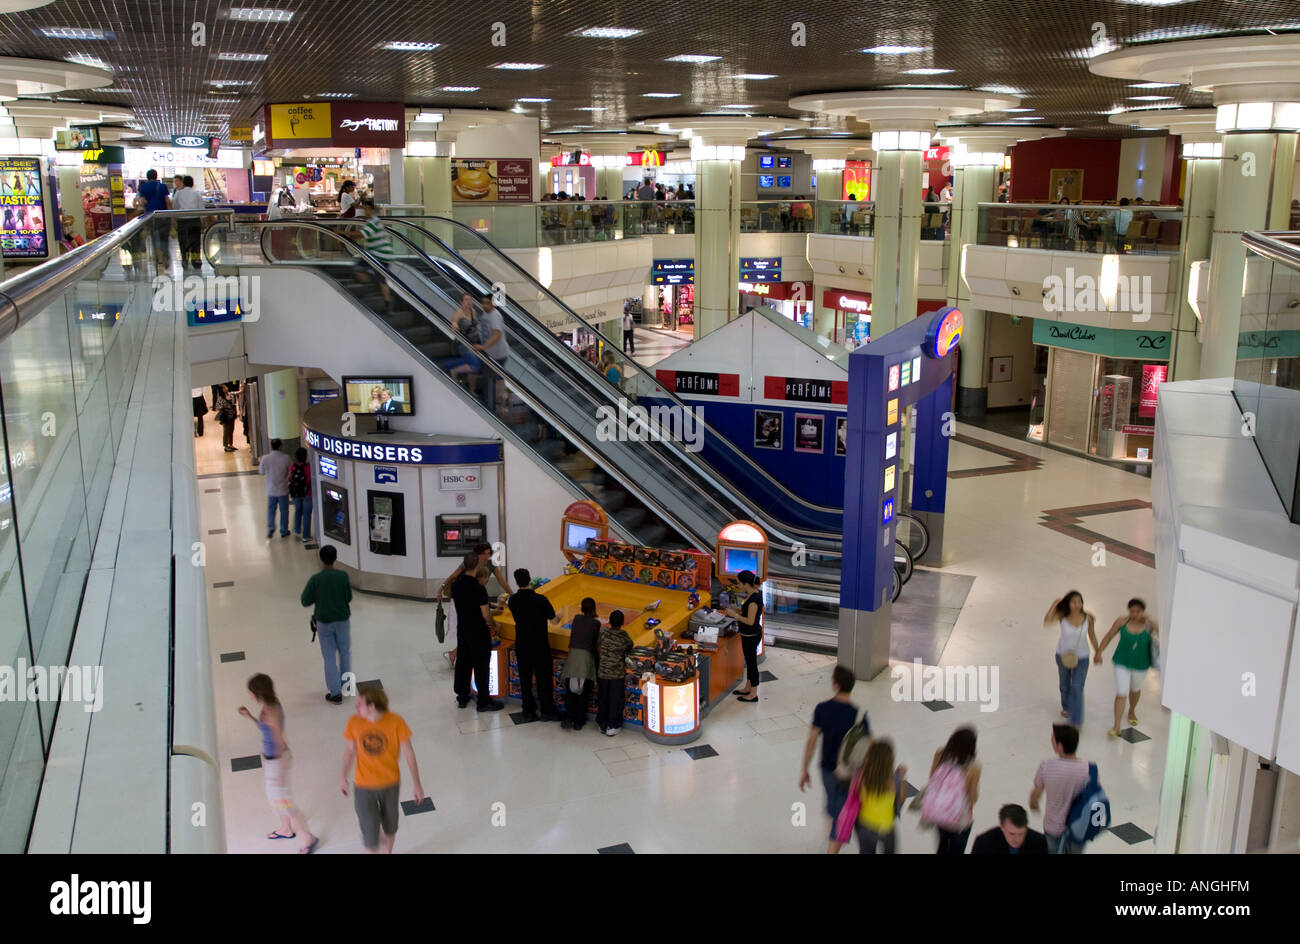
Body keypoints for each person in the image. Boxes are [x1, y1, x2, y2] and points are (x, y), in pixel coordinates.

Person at [237, 673, 318, 853]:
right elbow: (265, 730)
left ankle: (308, 838)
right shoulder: (269, 705)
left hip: (277, 762)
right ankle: (287, 829)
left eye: (250, 691)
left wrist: (279, 771)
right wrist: (250, 716)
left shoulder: (272, 711)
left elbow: (279, 741)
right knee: (277, 799)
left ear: (257, 692)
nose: (248, 693)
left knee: (285, 803)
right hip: (272, 760)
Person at [341, 687, 423, 854]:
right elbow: (350, 750)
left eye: (359, 704)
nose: (356, 707)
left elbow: (409, 753)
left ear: (371, 707)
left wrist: (417, 784)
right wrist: (343, 776)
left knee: (390, 826)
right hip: (363, 786)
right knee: (370, 836)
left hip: (390, 784)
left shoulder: (396, 722)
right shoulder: (353, 722)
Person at [799, 665, 860, 846]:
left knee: (832, 798)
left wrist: (804, 770)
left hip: (826, 768)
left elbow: (811, 742)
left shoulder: (822, 708)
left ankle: (833, 830)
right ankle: (835, 837)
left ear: (836, 685)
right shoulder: (855, 713)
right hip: (847, 771)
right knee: (841, 806)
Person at [1096, 598, 1158, 738]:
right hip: (1121, 662)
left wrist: (1151, 621)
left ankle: (1131, 710)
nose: (1135, 614)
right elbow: (1109, 636)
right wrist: (1099, 652)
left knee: (1135, 689)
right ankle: (1116, 725)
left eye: (1138, 611)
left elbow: (1164, 635)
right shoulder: (1121, 622)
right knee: (1121, 693)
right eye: (1132, 611)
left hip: (1141, 664)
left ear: (1143, 611)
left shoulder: (1149, 625)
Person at [451, 552, 504, 712]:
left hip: (463, 629)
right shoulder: (478, 588)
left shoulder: (456, 584)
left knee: (463, 663)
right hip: (478, 632)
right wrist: (494, 625)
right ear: (476, 567)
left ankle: (462, 696)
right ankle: (483, 701)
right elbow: (486, 615)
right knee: (481, 665)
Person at [1029, 724, 1092, 854]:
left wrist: (1034, 804)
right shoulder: (1089, 769)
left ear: (1060, 747)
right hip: (1078, 828)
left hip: (1053, 826)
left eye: (1053, 738)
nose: (1051, 740)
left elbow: (1035, 796)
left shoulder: (1046, 766)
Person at [301, 544, 353, 703]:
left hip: (324, 622)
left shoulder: (316, 579)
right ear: (335, 558)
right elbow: (349, 597)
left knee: (329, 656)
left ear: (321, 559)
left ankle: (335, 693)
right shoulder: (343, 576)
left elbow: (305, 601)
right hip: (343, 620)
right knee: (345, 652)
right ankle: (347, 686)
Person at [508, 567, 559, 722]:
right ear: (530, 579)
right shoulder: (541, 600)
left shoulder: (513, 601)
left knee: (525, 679)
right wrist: (561, 615)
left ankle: (528, 709)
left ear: (516, 582)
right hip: (540, 645)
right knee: (544, 679)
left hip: (522, 645)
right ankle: (546, 710)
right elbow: (554, 621)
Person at [924, 726, 981, 854]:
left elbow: (932, 780)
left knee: (942, 846)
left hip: (940, 813)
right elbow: (973, 798)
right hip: (960, 819)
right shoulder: (973, 767)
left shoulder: (939, 755)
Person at [1044, 590, 1097, 727]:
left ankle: (1076, 720)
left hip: (1082, 657)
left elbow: (1092, 635)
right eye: (1074, 602)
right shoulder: (1062, 616)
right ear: (1068, 603)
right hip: (1063, 655)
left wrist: (1098, 652)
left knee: (1077, 687)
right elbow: (1047, 621)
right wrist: (1054, 605)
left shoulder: (1088, 618)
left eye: (1079, 602)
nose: (1077, 605)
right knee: (1064, 684)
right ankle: (1066, 706)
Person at [853, 738, 907, 854]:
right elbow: (901, 800)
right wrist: (902, 778)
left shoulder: (862, 775)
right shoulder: (894, 780)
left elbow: (855, 794)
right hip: (885, 827)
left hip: (865, 825)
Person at [561, 597, 599, 730]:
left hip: (572, 658)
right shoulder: (596, 624)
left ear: (581, 609)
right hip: (585, 659)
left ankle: (568, 716)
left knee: (571, 690)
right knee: (582, 691)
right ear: (594, 609)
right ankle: (579, 720)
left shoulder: (576, 619)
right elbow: (595, 643)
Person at [725, 570, 763, 702]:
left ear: (746, 583)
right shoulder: (753, 593)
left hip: (751, 635)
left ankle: (753, 694)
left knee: (752, 664)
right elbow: (746, 611)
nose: (738, 585)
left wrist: (734, 615)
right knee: (749, 660)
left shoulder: (753, 600)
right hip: (749, 634)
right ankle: (748, 687)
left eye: (739, 583)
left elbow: (750, 621)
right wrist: (736, 610)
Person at [596, 609, 633, 736]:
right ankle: (613, 725)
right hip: (616, 674)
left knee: (603, 698)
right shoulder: (623, 636)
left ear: (609, 621)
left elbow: (599, 642)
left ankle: (602, 724)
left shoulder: (603, 633)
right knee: (615, 700)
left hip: (602, 672)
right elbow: (630, 646)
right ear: (622, 622)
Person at [473, 292, 510, 415]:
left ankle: (492, 408)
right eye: (483, 303)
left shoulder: (495, 315)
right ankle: (494, 406)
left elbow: (497, 334)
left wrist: (483, 347)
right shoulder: (486, 314)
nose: (484, 305)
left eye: (487, 303)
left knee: (492, 380)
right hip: (490, 354)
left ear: (493, 304)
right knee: (491, 379)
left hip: (498, 354)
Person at [357, 199, 395, 306]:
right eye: (364, 209)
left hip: (380, 255)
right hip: (378, 255)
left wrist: (342, 232)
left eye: (368, 209)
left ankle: (382, 297)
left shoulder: (374, 221)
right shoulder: (372, 221)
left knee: (360, 269)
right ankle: (385, 300)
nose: (366, 212)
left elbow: (362, 234)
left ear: (373, 210)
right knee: (379, 278)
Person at [971, 804, 1049, 854]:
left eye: (1021, 833)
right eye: (1012, 834)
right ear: (1002, 828)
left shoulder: (1039, 842)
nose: (1017, 839)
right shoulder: (984, 843)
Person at [258, 438, 292, 538]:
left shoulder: (265, 458)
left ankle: (271, 527)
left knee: (271, 510)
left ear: (271, 446)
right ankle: (284, 530)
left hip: (271, 489)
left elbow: (261, 472)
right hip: (283, 489)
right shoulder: (286, 458)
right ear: (280, 446)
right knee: (284, 511)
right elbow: (291, 471)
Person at [137, 169, 171, 266]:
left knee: (155, 237)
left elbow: (142, 202)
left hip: (151, 216)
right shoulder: (162, 186)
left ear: (147, 177)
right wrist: (171, 215)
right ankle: (166, 255)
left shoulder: (144, 187)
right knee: (164, 237)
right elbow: (167, 201)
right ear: (156, 176)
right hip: (164, 215)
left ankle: (159, 259)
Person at [171, 175, 205, 271]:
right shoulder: (196, 194)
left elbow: (175, 207)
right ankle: (196, 261)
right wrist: (202, 221)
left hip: (182, 221)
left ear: (183, 183)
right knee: (195, 242)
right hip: (195, 220)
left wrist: (175, 219)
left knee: (183, 242)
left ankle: (185, 260)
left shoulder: (178, 193)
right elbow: (201, 209)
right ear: (192, 183)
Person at [288, 447, 313, 543]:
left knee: (298, 511)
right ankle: (306, 536)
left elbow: (289, 478)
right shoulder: (308, 467)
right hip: (307, 494)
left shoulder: (292, 467)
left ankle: (297, 530)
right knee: (306, 515)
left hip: (295, 494)